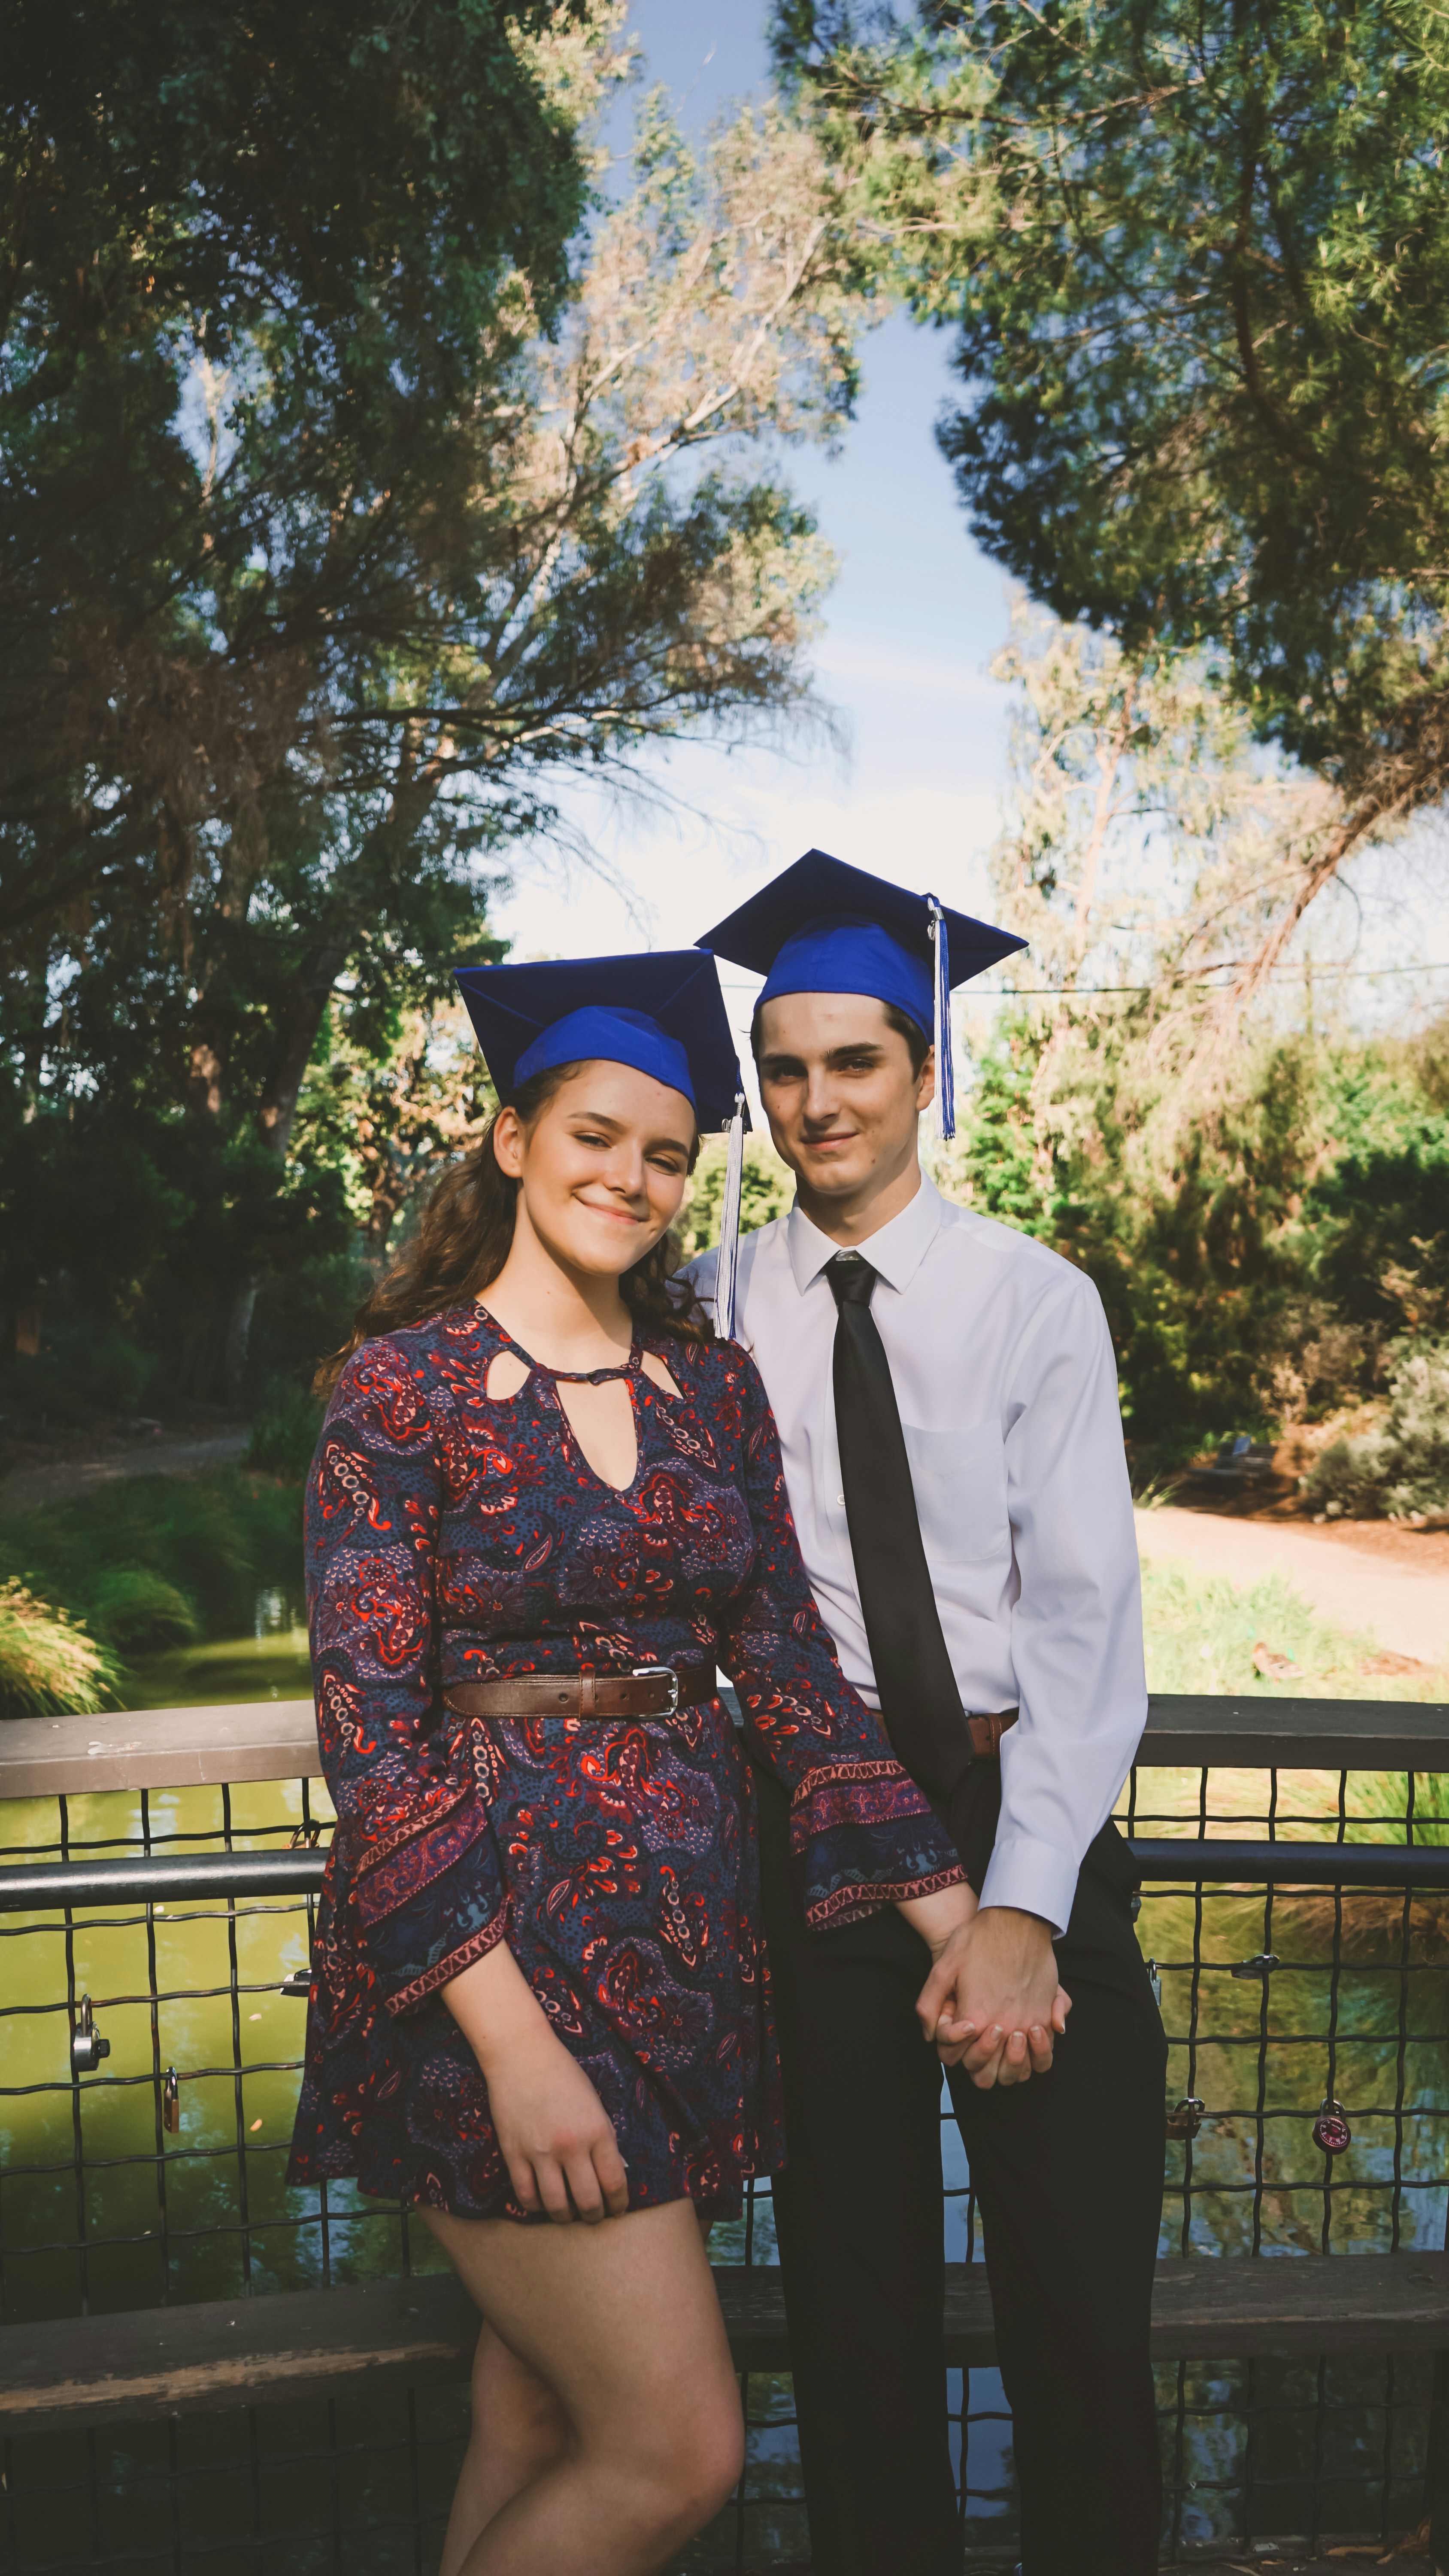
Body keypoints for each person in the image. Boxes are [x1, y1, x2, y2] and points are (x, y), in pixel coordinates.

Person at [286, 945, 982, 2576]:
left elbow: (797, 1684)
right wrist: (517, 2051)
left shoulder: (712, 1388)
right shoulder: (400, 1393)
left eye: (669, 1154)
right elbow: (374, 1751)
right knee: (676, 2450)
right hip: (492, 1970)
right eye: (597, 1136)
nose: (637, 1178)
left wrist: (967, 1928)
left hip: (685, 1954)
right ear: (515, 1141)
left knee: (538, 2424)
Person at [688, 851, 1168, 2576]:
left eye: (854, 1062)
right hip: (809, 1845)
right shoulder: (705, 1310)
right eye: (785, 1069)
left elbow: (1084, 1629)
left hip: (1013, 1817)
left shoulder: (1036, 1305)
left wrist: (1028, 1907)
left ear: (925, 1070)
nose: (817, 1100)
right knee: (857, 2328)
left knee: (1082, 2318)